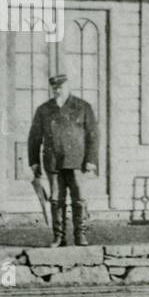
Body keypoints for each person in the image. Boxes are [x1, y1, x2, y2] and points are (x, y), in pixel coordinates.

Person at [28, 73, 99, 247]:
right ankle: (59, 237)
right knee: (56, 199)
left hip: (77, 161)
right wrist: (34, 161)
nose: (58, 90)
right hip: (53, 161)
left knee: (79, 198)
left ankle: (80, 235)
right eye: (55, 88)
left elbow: (93, 135)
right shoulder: (44, 110)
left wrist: (91, 160)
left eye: (61, 87)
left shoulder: (83, 107)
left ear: (68, 86)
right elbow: (34, 137)